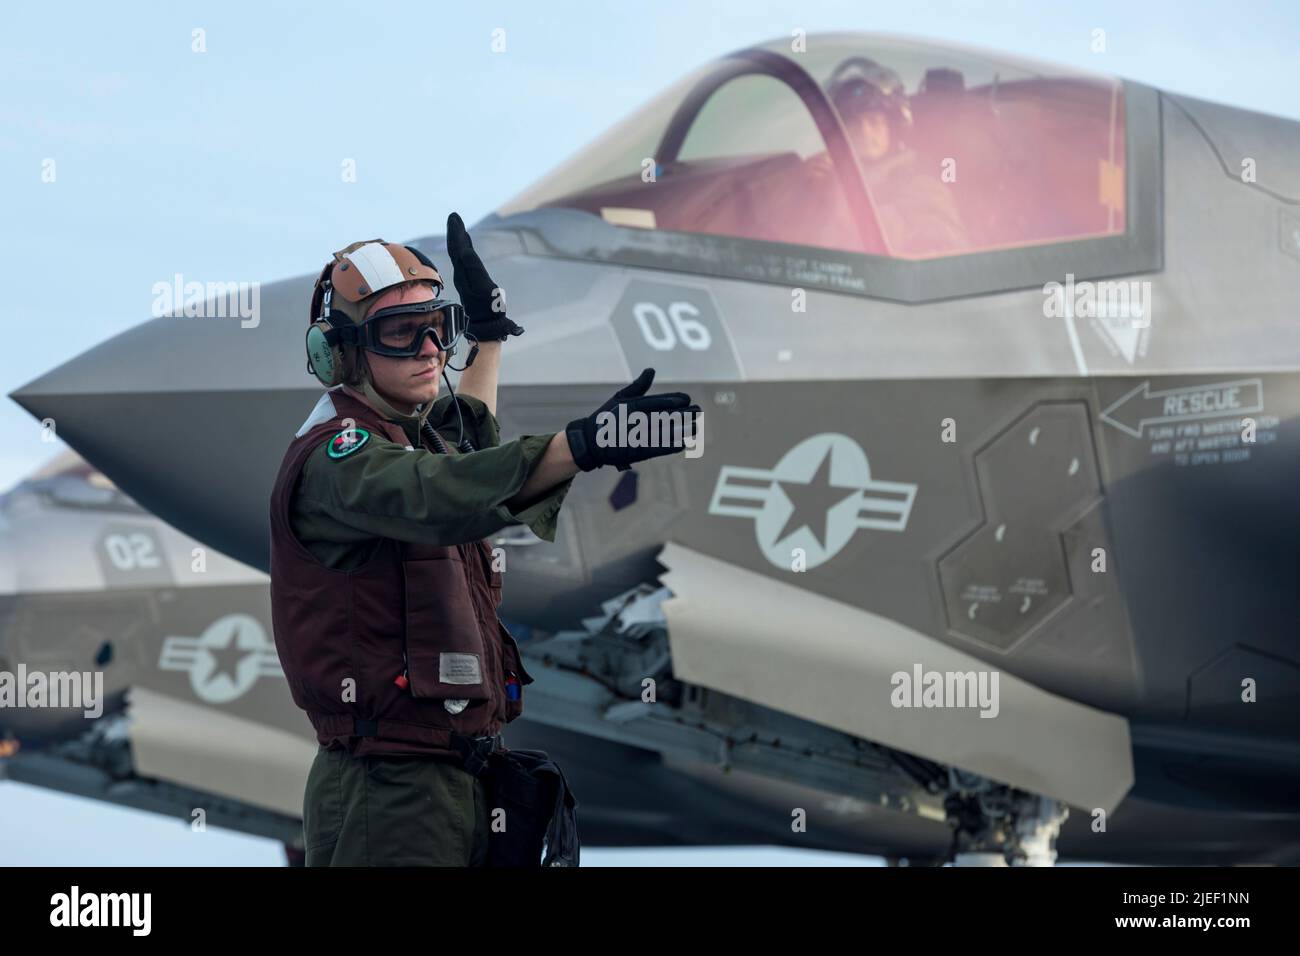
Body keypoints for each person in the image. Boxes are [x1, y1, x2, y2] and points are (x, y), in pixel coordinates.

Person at [269, 212, 699, 866]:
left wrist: (490, 338)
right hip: (389, 792)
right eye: (399, 334)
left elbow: (464, 447)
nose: (427, 351)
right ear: (343, 351)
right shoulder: (336, 460)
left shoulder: (408, 443)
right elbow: (441, 495)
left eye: (437, 329)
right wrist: (585, 445)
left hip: (458, 783)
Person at [820, 57, 968, 258]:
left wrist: (841, 204)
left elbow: (944, 257)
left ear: (894, 127)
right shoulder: (824, 179)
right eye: (852, 124)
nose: (864, 132)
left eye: (874, 121)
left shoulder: (922, 185)